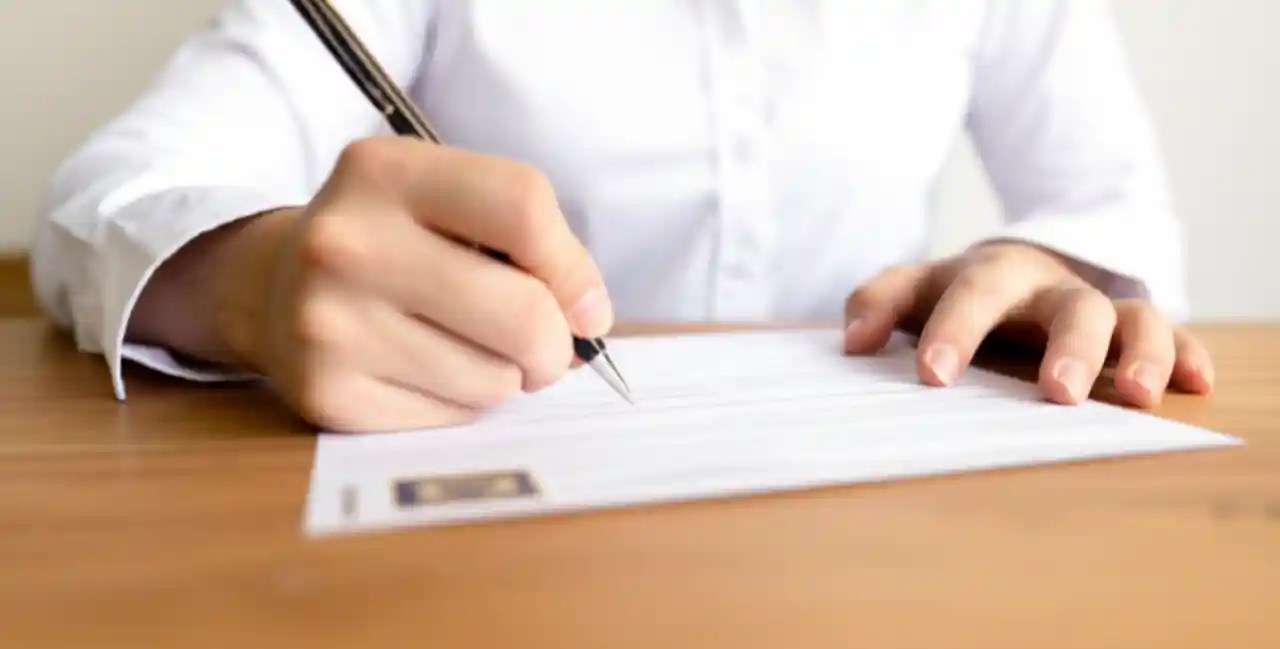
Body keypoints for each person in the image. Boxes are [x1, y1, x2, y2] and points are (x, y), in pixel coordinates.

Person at [31, 0, 1214, 432]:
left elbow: (1115, 215)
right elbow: (105, 200)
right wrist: (257, 282)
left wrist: (1036, 267)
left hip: (886, 541)